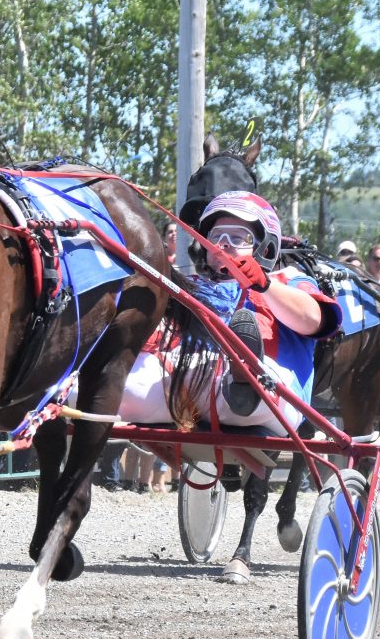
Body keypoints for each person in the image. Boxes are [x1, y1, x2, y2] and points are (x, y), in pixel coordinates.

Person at [119, 192, 335, 457]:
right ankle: (65, 388)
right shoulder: (192, 286)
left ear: (264, 248)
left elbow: (314, 320)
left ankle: (244, 374)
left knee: (252, 369)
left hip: (271, 393)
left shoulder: (286, 278)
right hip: (185, 387)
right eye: (217, 237)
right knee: (128, 371)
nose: (224, 245)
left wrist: (264, 286)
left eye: (238, 237)